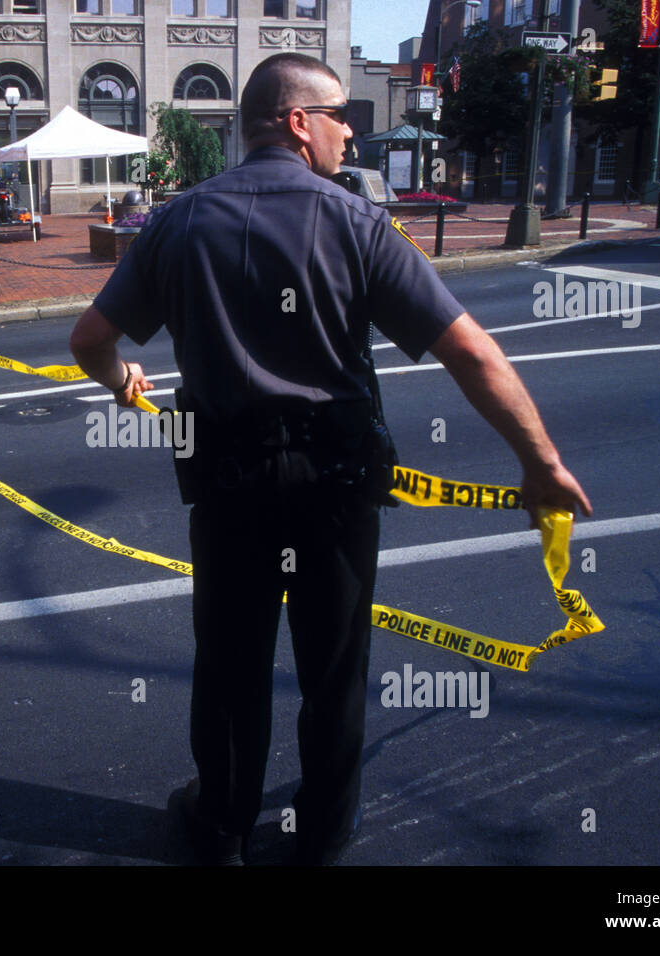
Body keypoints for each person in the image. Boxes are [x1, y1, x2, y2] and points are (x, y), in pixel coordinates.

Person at [69, 52, 591, 865]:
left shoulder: (178, 220)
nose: (353, 130)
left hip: (227, 485)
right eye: (341, 114)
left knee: (232, 667)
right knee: (335, 669)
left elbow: (89, 340)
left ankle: (220, 827)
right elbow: (472, 355)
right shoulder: (354, 223)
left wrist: (119, 380)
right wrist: (540, 462)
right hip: (334, 488)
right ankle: (319, 837)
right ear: (297, 121)